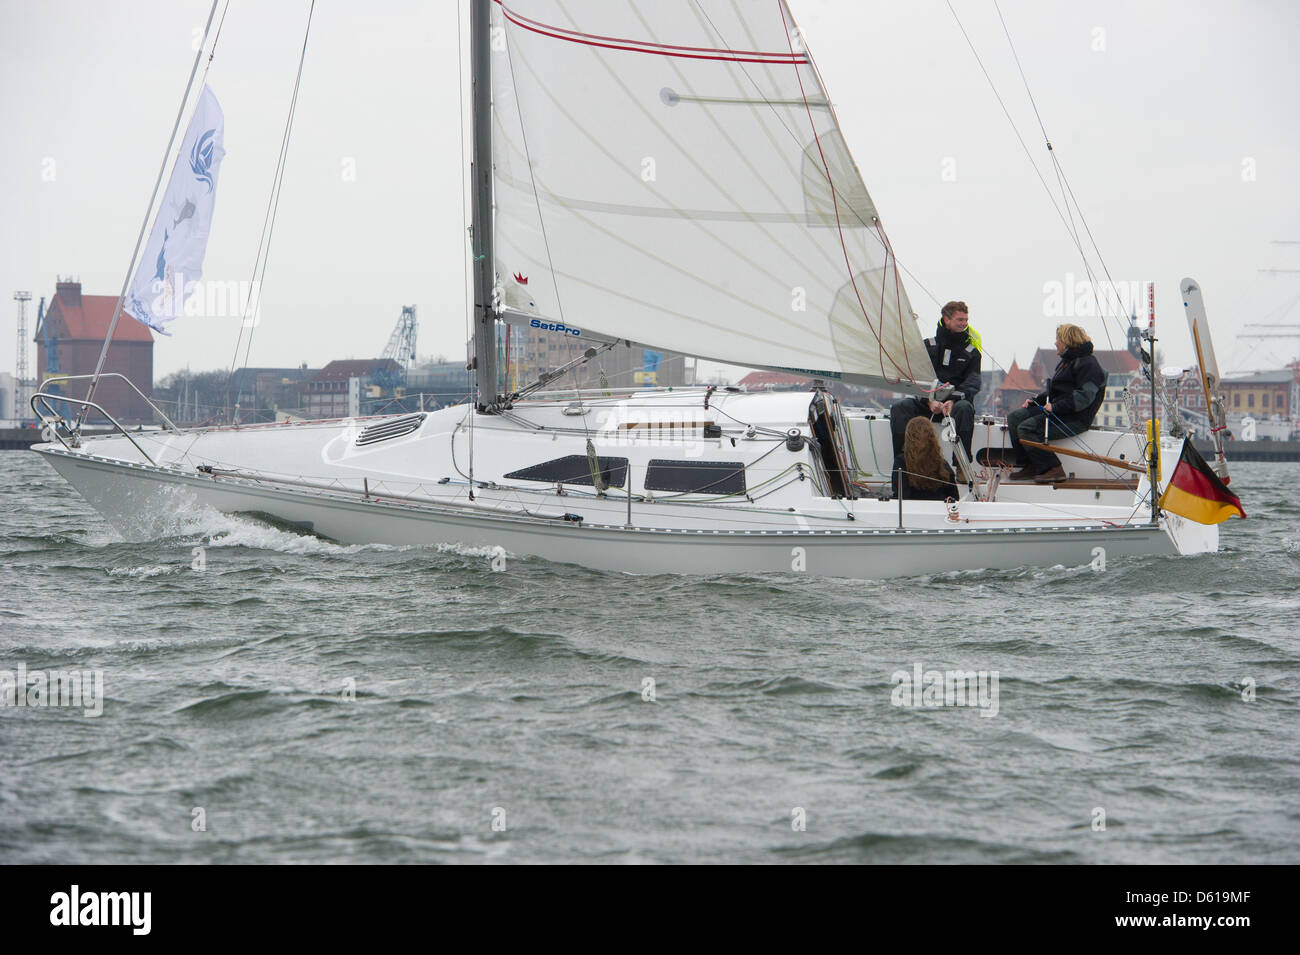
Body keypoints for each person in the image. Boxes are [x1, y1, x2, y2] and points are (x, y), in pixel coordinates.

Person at [889, 300, 981, 478]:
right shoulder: (928, 346)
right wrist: (929, 400)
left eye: (966, 320)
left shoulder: (972, 352)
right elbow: (917, 377)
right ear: (947, 320)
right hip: (928, 402)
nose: (964, 324)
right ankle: (904, 464)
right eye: (959, 320)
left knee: (965, 408)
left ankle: (961, 465)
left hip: (955, 405)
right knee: (900, 408)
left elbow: (973, 383)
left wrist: (953, 399)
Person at [1007, 323, 1108, 483]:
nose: (1055, 343)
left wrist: (1055, 407)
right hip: (1058, 412)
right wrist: (1035, 401)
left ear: (1067, 341)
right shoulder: (1067, 362)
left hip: (1074, 419)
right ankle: (1030, 465)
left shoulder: (1089, 365)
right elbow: (1055, 391)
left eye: (1058, 339)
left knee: (1026, 428)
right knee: (1014, 418)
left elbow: (1083, 398)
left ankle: (1054, 469)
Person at [893, 416, 959, 500]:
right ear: (932, 438)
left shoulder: (901, 462)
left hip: (910, 506)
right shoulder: (942, 463)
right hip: (938, 505)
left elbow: (900, 494)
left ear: (908, 437)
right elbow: (954, 496)